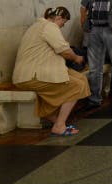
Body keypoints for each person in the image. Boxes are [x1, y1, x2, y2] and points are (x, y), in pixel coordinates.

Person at [13, 7, 89, 136]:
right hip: (33, 75)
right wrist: (77, 58)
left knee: (81, 78)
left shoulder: (37, 25)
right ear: (59, 18)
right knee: (78, 86)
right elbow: (64, 50)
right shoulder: (50, 27)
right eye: (63, 23)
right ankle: (59, 126)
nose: (62, 27)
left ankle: (56, 121)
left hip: (34, 71)